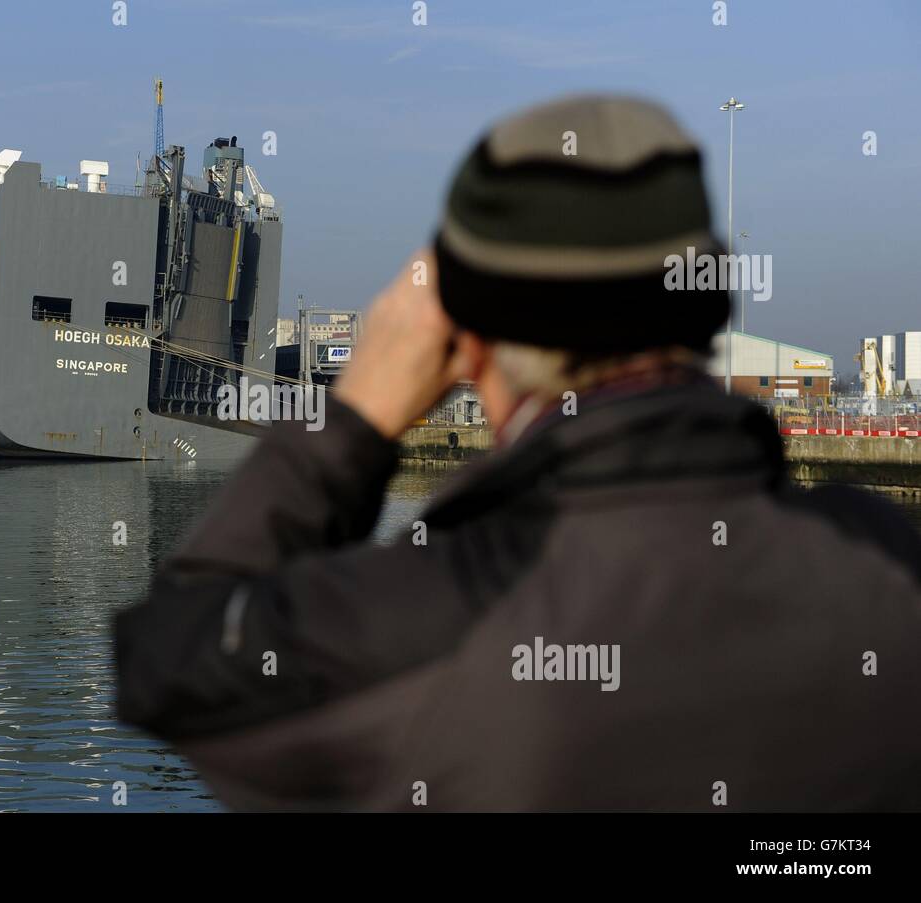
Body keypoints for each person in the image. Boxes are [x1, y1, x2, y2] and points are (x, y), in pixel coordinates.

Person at [113, 96, 921, 811]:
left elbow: (170, 663)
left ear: (466, 341)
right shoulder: (889, 564)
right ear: (705, 310)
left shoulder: (417, 621)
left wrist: (353, 422)